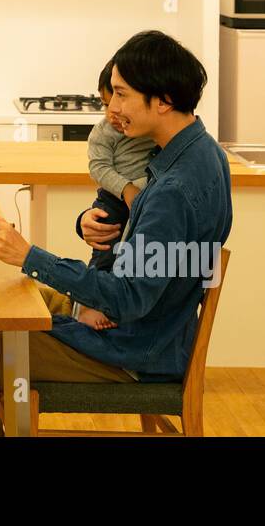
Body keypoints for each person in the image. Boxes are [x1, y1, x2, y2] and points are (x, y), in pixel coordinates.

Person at [0, 30, 233, 436]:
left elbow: (128, 299)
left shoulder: (174, 191)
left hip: (131, 349)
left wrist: (29, 256)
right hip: (142, 326)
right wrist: (90, 220)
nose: (112, 108)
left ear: (163, 101)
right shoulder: (199, 151)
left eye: (122, 95)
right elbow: (140, 239)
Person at [72, 59, 159, 330]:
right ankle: (87, 305)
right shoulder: (104, 132)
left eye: (118, 99)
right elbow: (98, 167)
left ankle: (108, 304)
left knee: (125, 256)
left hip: (143, 196)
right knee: (105, 251)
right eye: (105, 103)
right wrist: (126, 190)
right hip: (113, 196)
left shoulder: (148, 130)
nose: (112, 112)